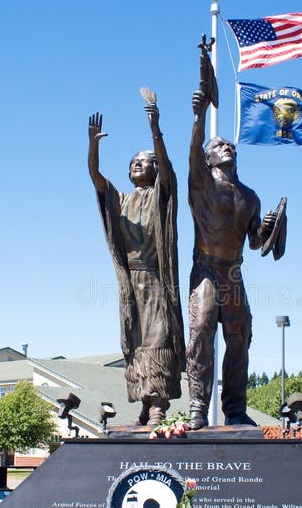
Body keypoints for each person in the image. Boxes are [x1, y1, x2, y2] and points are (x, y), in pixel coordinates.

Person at [186, 49, 278, 431]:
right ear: (208, 159)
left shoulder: (250, 195)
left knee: (240, 338)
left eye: (230, 146)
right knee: (202, 332)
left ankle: (235, 409)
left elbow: (256, 243)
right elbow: (192, 151)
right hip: (206, 268)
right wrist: (199, 114)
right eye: (220, 146)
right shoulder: (203, 184)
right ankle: (196, 408)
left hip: (235, 273)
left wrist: (268, 226)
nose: (228, 147)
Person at [87, 103, 184, 427]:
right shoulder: (122, 200)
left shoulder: (160, 194)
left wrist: (156, 128)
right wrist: (93, 146)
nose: (137, 165)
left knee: (159, 338)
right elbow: (97, 178)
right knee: (133, 341)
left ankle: (158, 404)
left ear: (154, 168)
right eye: (133, 162)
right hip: (131, 282)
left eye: (144, 161)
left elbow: (169, 170)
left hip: (156, 279)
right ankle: (144, 400)